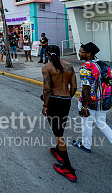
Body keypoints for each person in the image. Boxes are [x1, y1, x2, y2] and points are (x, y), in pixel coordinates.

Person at [72, 42, 112, 169]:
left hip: (90, 102)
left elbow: (86, 88)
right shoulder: (103, 65)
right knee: (103, 125)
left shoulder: (85, 67)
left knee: (86, 123)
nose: (78, 53)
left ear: (88, 54)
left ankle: (86, 145)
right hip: (103, 102)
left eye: (81, 52)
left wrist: (84, 107)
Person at [42, 45, 78, 182]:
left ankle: (68, 168)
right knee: (60, 128)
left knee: (58, 134)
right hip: (66, 101)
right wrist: (67, 97)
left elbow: (47, 89)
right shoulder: (69, 66)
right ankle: (58, 151)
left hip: (54, 102)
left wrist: (45, 105)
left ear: (48, 55)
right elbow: (74, 87)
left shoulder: (47, 67)